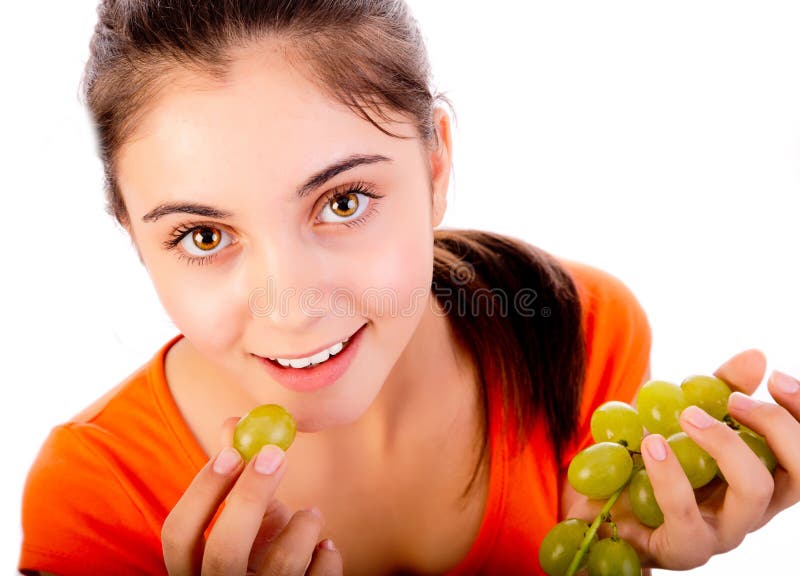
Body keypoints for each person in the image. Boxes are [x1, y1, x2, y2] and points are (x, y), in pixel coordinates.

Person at [18, 1, 800, 575]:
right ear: (133, 240)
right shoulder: (92, 501)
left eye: (343, 202)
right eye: (203, 236)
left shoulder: (585, 328)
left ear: (435, 167)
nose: (293, 303)